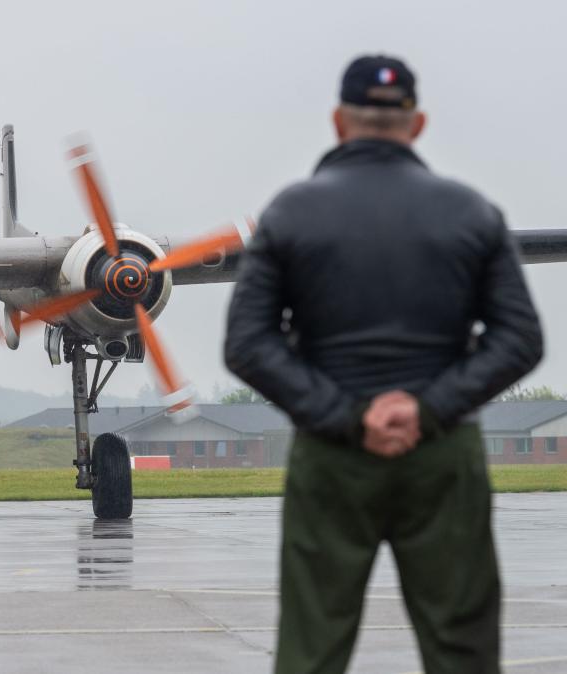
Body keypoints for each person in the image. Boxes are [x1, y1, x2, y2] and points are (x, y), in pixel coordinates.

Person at [223, 55, 543, 674]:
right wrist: (427, 409)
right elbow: (520, 339)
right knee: (463, 648)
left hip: (332, 457)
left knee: (311, 645)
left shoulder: (291, 213)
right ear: (416, 124)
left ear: (339, 122)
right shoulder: (473, 212)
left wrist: (348, 417)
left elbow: (247, 344)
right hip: (443, 456)